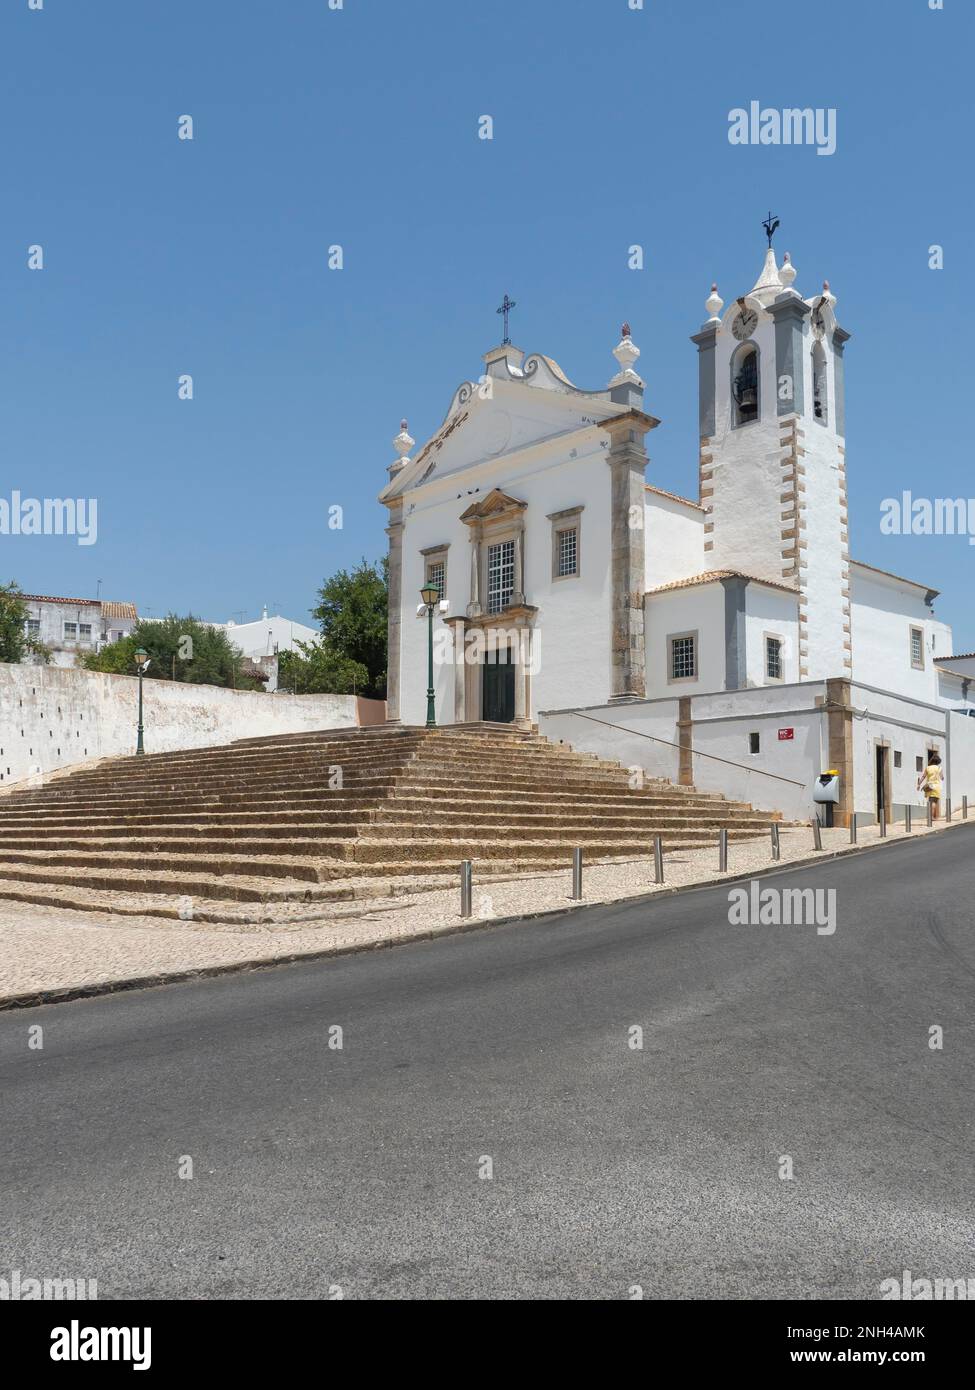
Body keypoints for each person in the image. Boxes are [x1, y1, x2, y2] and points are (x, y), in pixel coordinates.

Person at [918, 751, 944, 820]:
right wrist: (941, 777)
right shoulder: (939, 768)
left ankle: (931, 816)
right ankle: (932, 816)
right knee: (934, 802)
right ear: (938, 761)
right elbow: (942, 778)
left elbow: (923, 777)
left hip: (929, 786)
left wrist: (919, 784)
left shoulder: (928, 768)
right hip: (936, 786)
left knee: (930, 801)